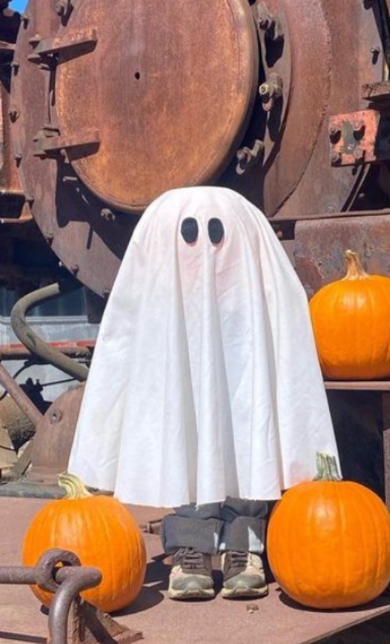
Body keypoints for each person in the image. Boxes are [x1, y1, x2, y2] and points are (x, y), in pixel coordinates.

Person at [67, 185, 337, 602]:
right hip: (182, 332)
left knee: (249, 430)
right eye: (189, 235)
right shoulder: (162, 317)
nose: (205, 248)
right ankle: (190, 544)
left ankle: (244, 544)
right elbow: (122, 351)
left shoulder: (255, 313)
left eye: (217, 235)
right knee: (183, 433)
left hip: (239, 330)